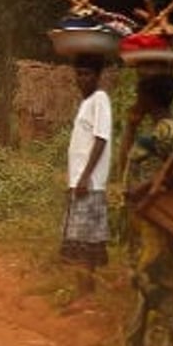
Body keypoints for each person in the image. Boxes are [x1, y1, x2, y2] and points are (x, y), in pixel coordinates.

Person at [118, 73, 173, 346]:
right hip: (144, 222)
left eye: (140, 92)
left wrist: (151, 187)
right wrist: (131, 124)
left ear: (150, 97)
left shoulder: (169, 130)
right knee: (144, 283)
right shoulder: (152, 130)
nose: (136, 97)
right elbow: (125, 160)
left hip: (159, 223)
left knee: (156, 286)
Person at [59, 54, 113, 303]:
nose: (82, 79)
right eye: (79, 74)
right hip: (80, 183)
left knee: (85, 244)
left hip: (89, 185)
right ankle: (83, 294)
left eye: (87, 74)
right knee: (80, 242)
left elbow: (100, 139)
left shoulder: (100, 99)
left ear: (98, 76)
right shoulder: (86, 103)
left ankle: (86, 296)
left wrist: (84, 178)